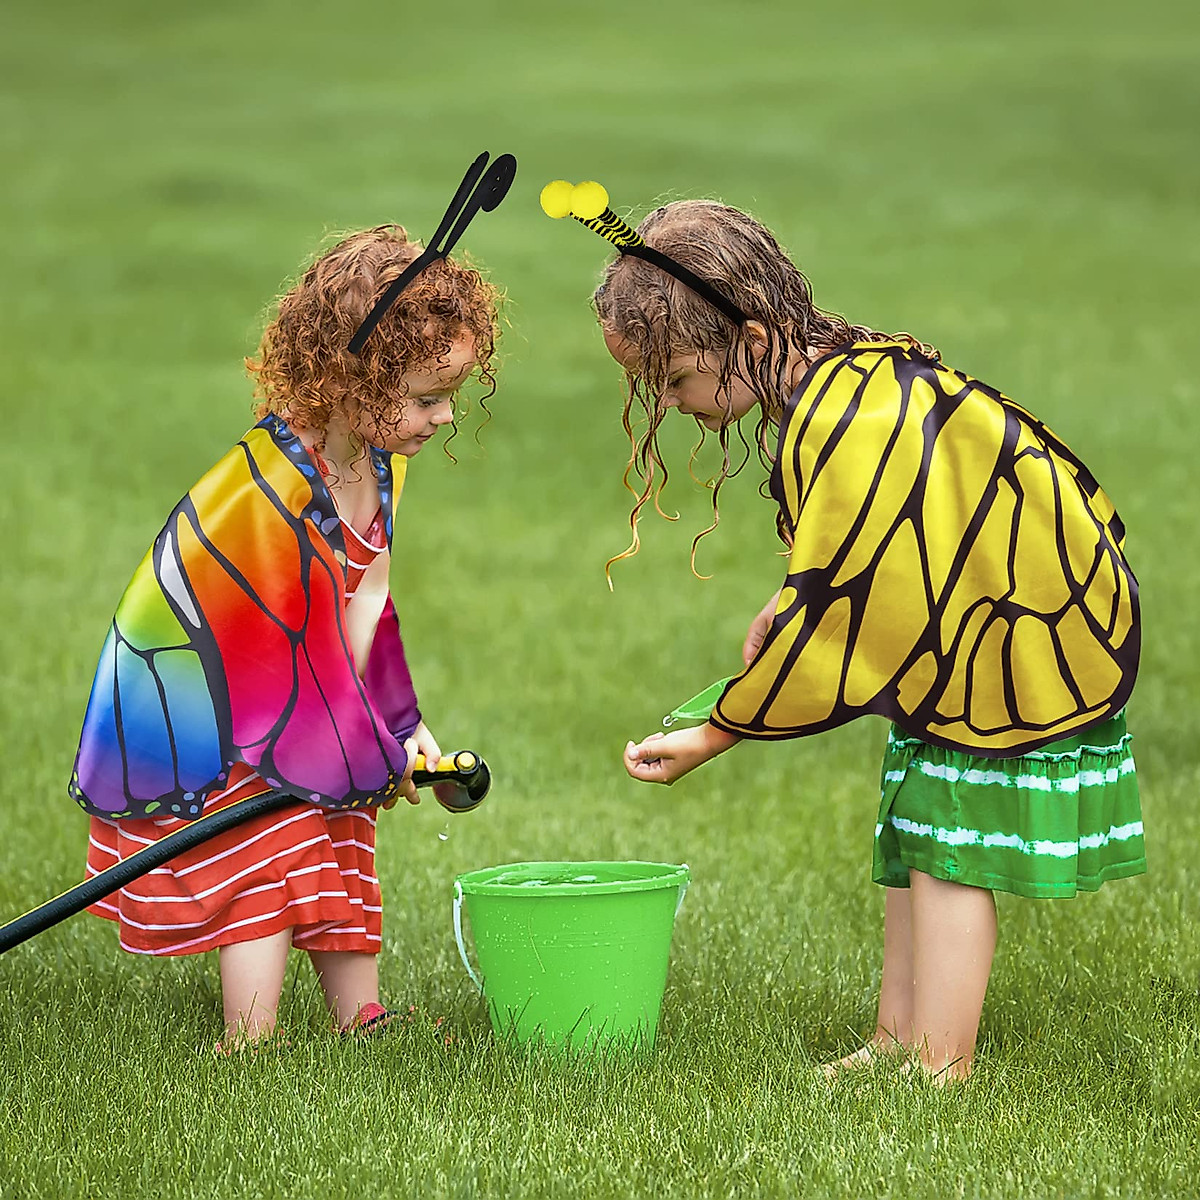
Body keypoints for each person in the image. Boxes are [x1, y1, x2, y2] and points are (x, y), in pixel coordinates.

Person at [563, 190, 1144, 1082]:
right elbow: (851, 549)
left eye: (676, 377)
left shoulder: (842, 414)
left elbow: (851, 599)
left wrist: (719, 730)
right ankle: (897, 1038)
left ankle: (941, 1067)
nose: (672, 403)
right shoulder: (834, 375)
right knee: (915, 823)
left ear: (751, 343)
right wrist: (791, 592)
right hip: (967, 620)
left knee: (950, 843)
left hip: (1021, 631)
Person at [70, 224, 501, 1053]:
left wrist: (404, 730)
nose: (444, 417)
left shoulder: (377, 462)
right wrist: (361, 742)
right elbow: (282, 648)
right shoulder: (269, 492)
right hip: (207, 693)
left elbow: (368, 598)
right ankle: (249, 1044)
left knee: (341, 823)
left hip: (290, 682)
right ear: (348, 378)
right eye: (424, 397)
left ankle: (359, 1019)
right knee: (266, 848)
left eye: (450, 395)